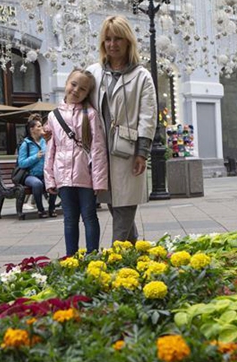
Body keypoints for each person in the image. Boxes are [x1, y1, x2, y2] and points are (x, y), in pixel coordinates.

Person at [87, 15, 156, 243]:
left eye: (118, 39)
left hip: (128, 152)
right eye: (108, 39)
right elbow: (74, 104)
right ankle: (137, 255)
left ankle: (116, 261)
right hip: (100, 153)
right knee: (116, 206)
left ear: (128, 42)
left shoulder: (142, 76)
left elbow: (148, 116)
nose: (112, 44)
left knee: (124, 208)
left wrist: (142, 152)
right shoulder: (94, 73)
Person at [44, 68, 109, 256]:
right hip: (63, 176)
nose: (76, 90)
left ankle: (92, 256)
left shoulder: (90, 114)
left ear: (87, 93)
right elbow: (51, 149)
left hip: (85, 176)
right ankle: (70, 258)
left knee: (89, 216)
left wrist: (99, 180)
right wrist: (50, 178)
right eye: (74, 84)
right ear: (67, 84)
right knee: (69, 219)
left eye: (82, 89)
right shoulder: (54, 116)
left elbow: (98, 149)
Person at [18, 115, 56, 218]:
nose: (41, 128)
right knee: (37, 184)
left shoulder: (46, 141)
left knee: (54, 182)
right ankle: (41, 210)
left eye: (41, 126)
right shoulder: (26, 144)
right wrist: (35, 157)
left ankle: (52, 209)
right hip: (30, 175)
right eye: (38, 126)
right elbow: (21, 163)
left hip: (44, 174)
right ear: (32, 129)